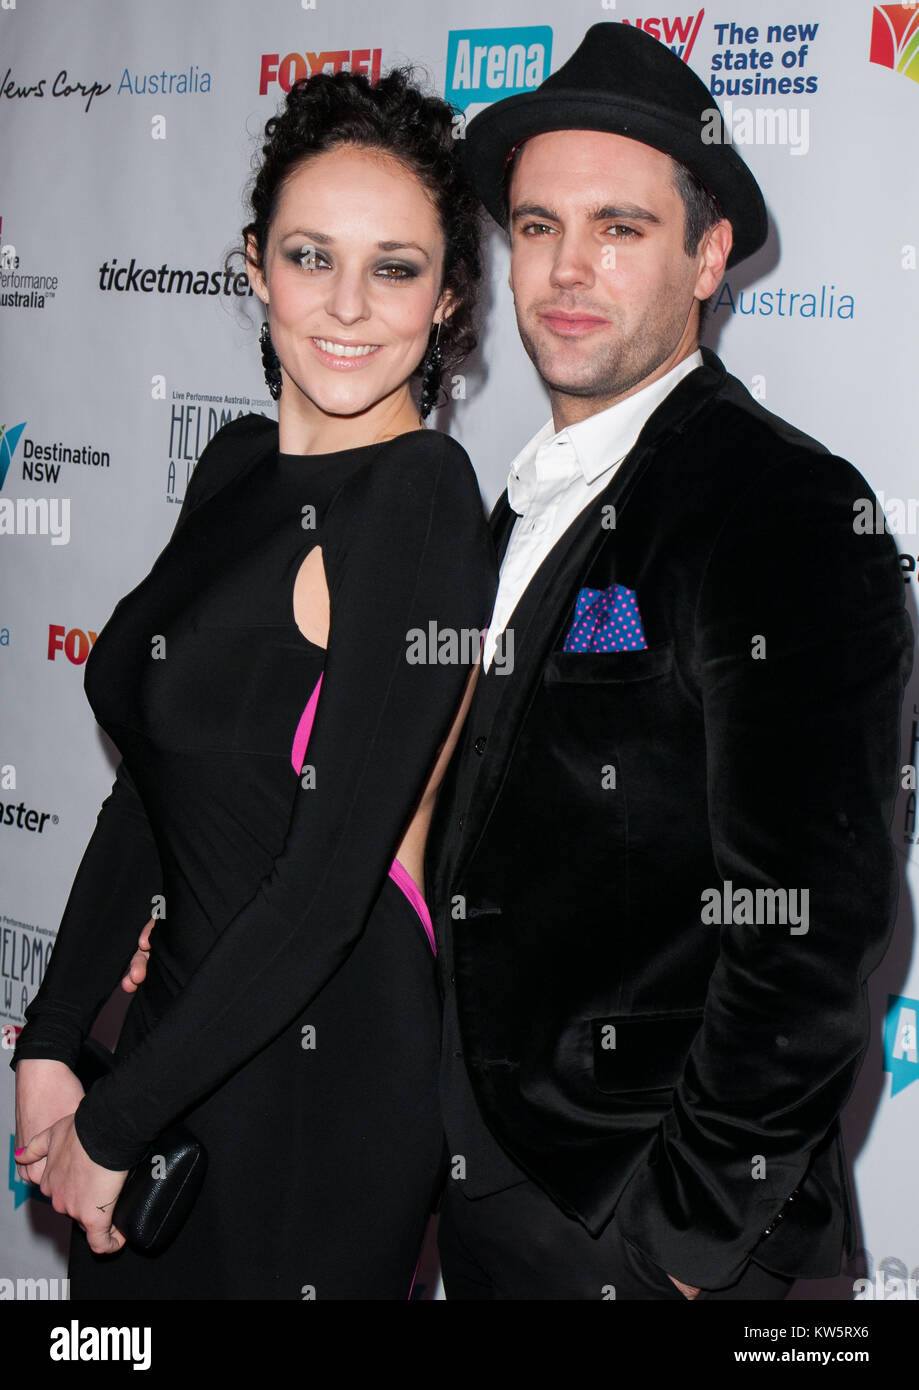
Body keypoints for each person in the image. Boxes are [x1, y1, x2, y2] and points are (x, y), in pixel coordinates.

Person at [423, 24, 912, 1299]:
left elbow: (813, 922)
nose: (567, 268)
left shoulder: (781, 507)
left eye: (619, 228)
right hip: (490, 1203)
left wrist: (685, 1244)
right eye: (536, 227)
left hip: (654, 1235)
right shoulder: (516, 504)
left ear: (706, 257)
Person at [11, 66, 496, 1300]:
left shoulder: (419, 501)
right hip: (177, 1048)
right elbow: (150, 796)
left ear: (447, 300)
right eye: (308, 255)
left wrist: (117, 1126)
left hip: (310, 1094)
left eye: (395, 267)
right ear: (251, 264)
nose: (347, 305)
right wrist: (58, 1042)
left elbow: (327, 885)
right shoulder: (234, 467)